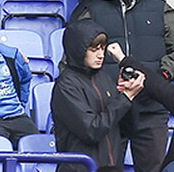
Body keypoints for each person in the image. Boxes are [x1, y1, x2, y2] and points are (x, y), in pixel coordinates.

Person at [80, 0, 174, 172]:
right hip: (110, 109)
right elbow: (77, 55)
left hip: (151, 109)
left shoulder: (159, 8)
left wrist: (159, 76)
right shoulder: (93, 11)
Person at [52, 21, 146, 172]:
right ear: (79, 50)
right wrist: (125, 98)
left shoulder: (104, 77)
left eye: (102, 48)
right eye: (94, 49)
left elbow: (128, 128)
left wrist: (127, 93)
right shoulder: (66, 85)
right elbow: (92, 131)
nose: (101, 55)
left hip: (111, 166)